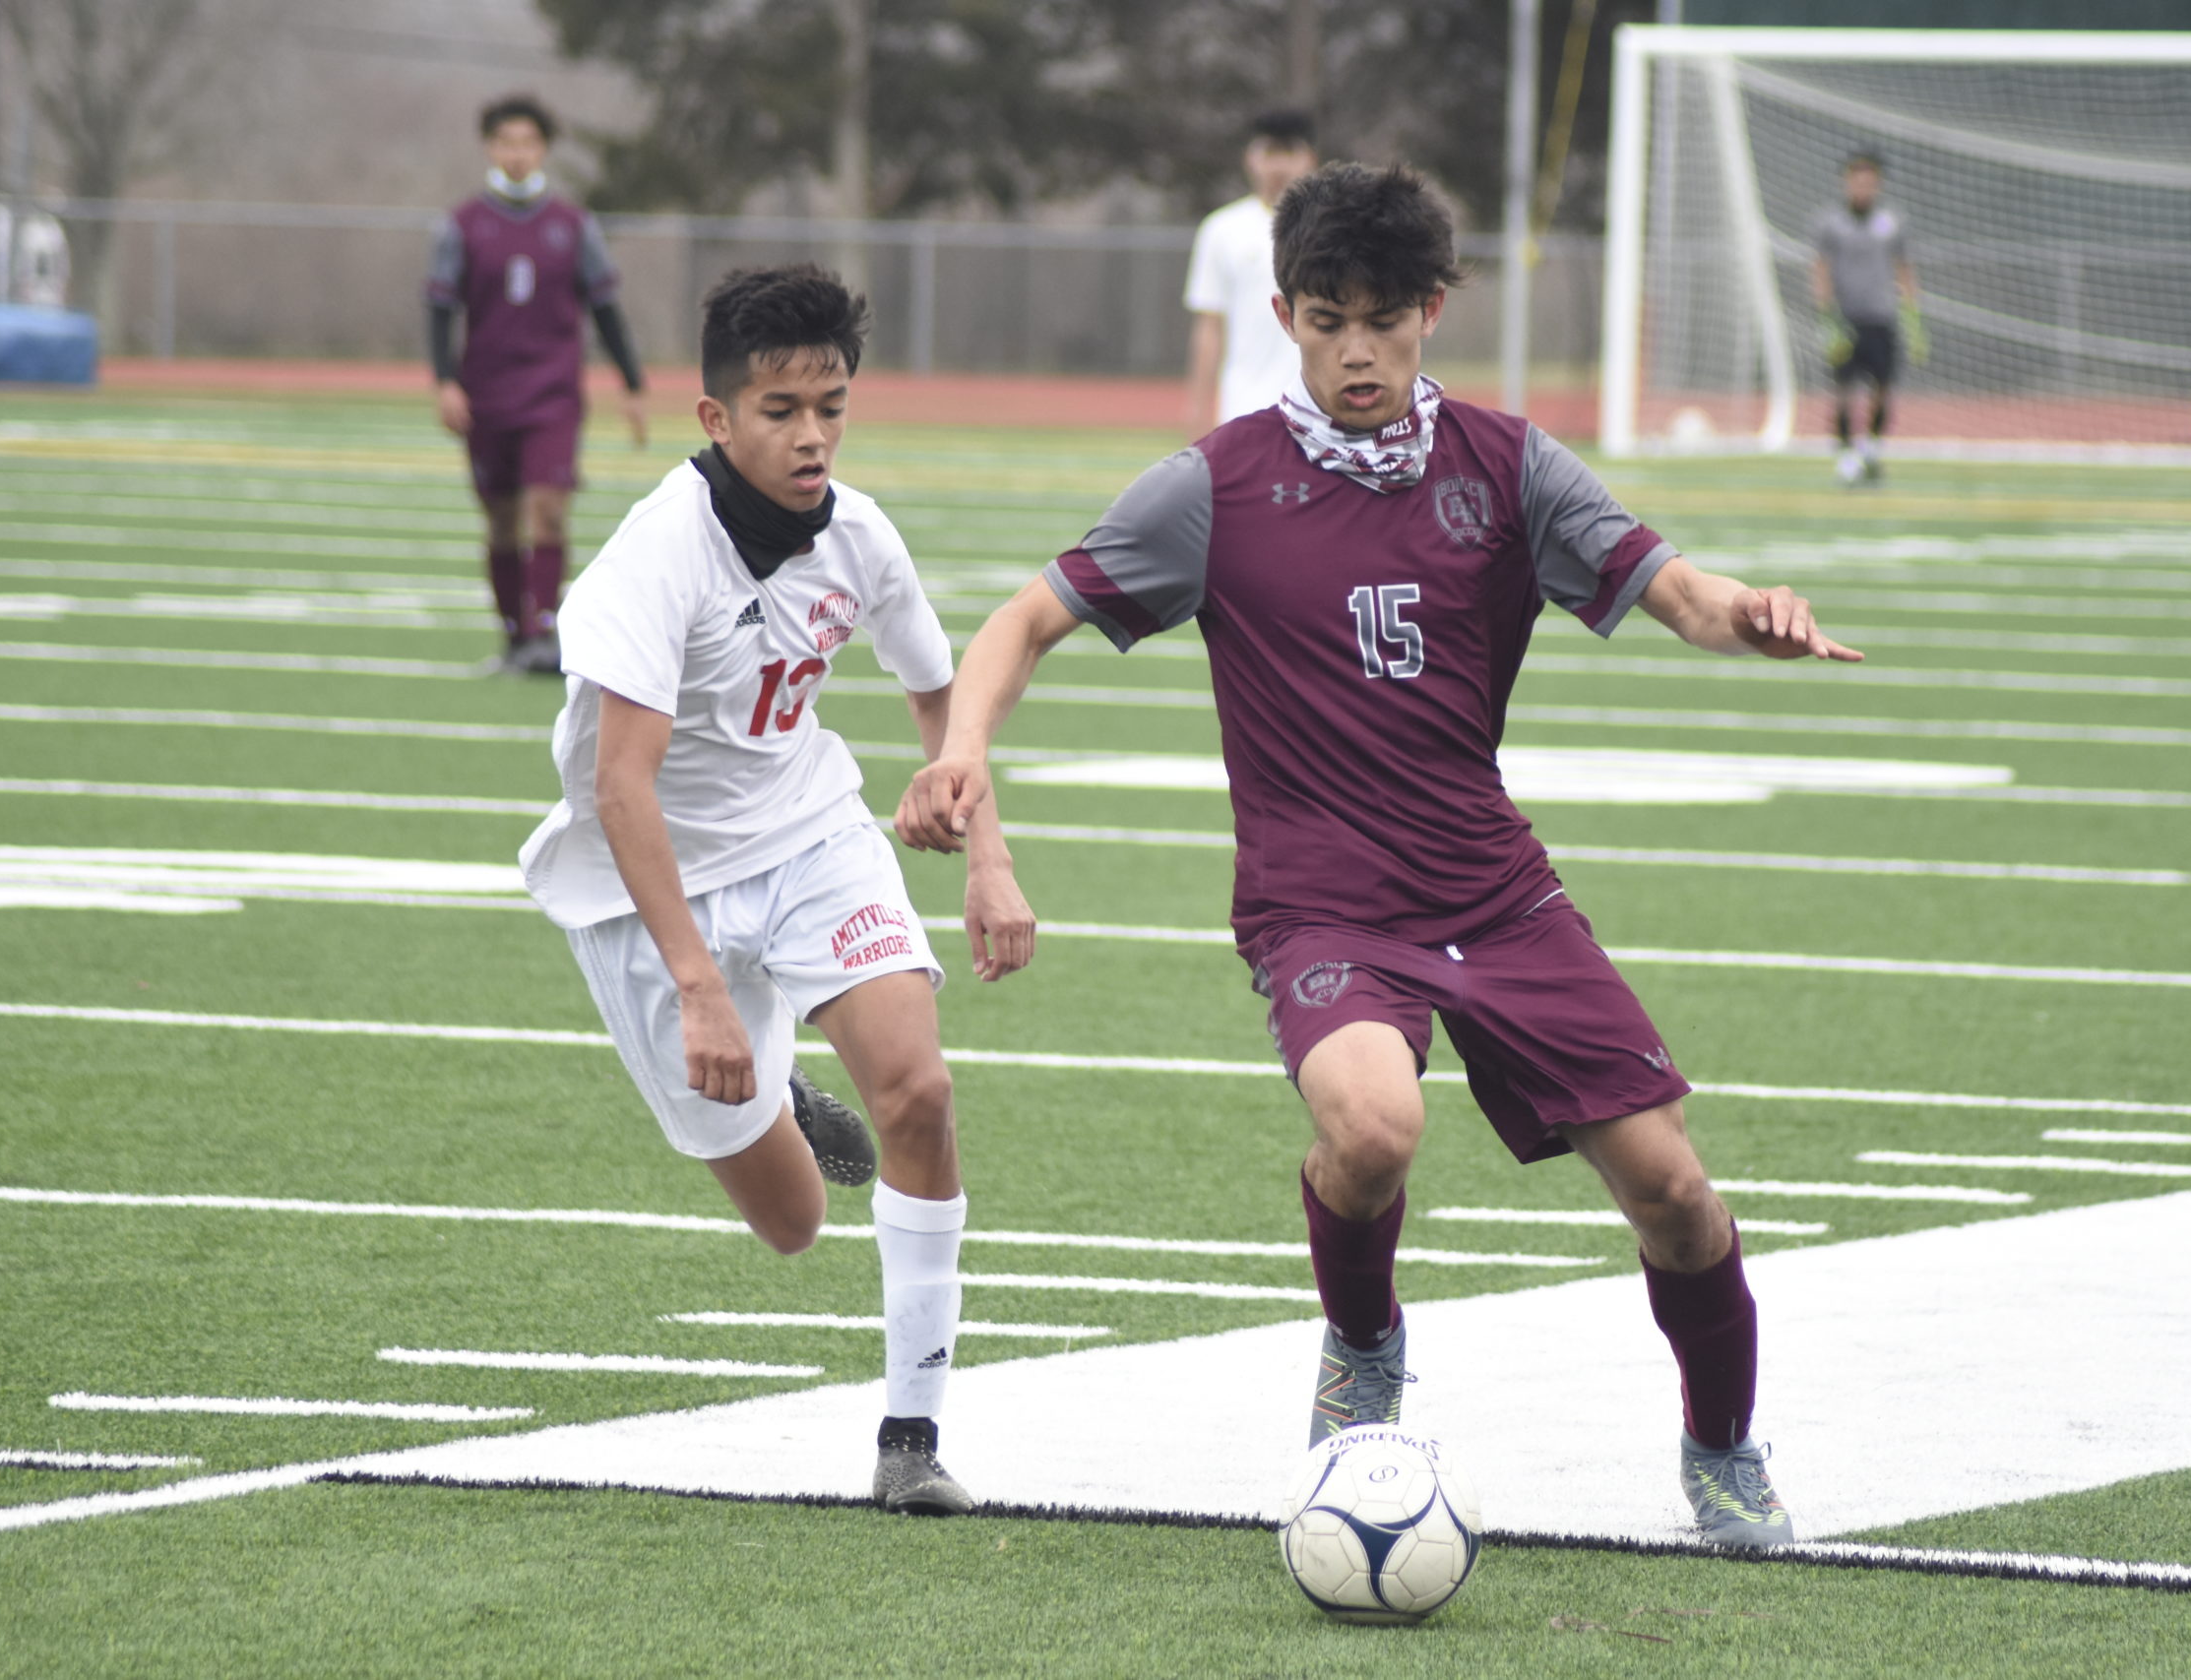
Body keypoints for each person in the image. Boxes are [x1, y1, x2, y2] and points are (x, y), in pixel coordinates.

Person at [899, 164, 1861, 1549]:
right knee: (1371, 1125)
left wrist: (1748, 612)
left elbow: (1679, 590)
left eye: (1385, 322)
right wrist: (967, 749)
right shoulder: (1213, 486)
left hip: (1495, 888)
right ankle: (1363, 1343)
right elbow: (1024, 619)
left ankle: (1723, 1450)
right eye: (1327, 321)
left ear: (1434, 311)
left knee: (1677, 1191)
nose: (1357, 351)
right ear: (1285, 314)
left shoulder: (1509, 464)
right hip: (1320, 902)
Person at [521, 264, 1035, 1514]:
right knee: (794, 1222)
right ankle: (780, 1094)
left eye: (832, 407)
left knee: (919, 1088)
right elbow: (620, 792)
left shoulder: (859, 533)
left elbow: (935, 694)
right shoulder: (658, 556)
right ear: (716, 419)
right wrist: (697, 985)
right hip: (648, 889)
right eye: (779, 411)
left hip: (809, 835)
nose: (811, 437)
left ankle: (911, 1438)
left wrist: (987, 855)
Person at [428, 93, 652, 674]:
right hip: (487, 393)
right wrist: (445, 381)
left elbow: (605, 309)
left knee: (548, 509)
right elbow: (440, 308)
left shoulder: (573, 226)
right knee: (501, 518)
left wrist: (632, 382)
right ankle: (513, 637)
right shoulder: (463, 225)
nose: (517, 153)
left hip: (552, 392)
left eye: (527, 142)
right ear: (490, 147)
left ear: (543, 148)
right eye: (506, 142)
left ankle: (545, 636)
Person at [1181, 109, 1320, 437]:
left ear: (1310, 158)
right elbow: (1209, 325)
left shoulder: (1334, 226)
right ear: (1250, 157)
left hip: (1318, 411)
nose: (1279, 166)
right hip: (1244, 409)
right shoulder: (1222, 229)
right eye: (1269, 153)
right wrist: (1199, 411)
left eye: (1290, 153)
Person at [1811, 152, 1922, 487]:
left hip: (1881, 318)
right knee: (1844, 392)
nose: (1862, 187)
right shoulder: (1831, 223)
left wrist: (1913, 317)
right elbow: (1820, 269)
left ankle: (1871, 451)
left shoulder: (1891, 222)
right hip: (1845, 319)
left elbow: (1904, 267)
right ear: (1847, 183)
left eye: (1869, 181)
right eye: (1856, 180)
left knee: (1882, 391)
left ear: (1877, 184)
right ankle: (1846, 458)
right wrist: (1827, 316)